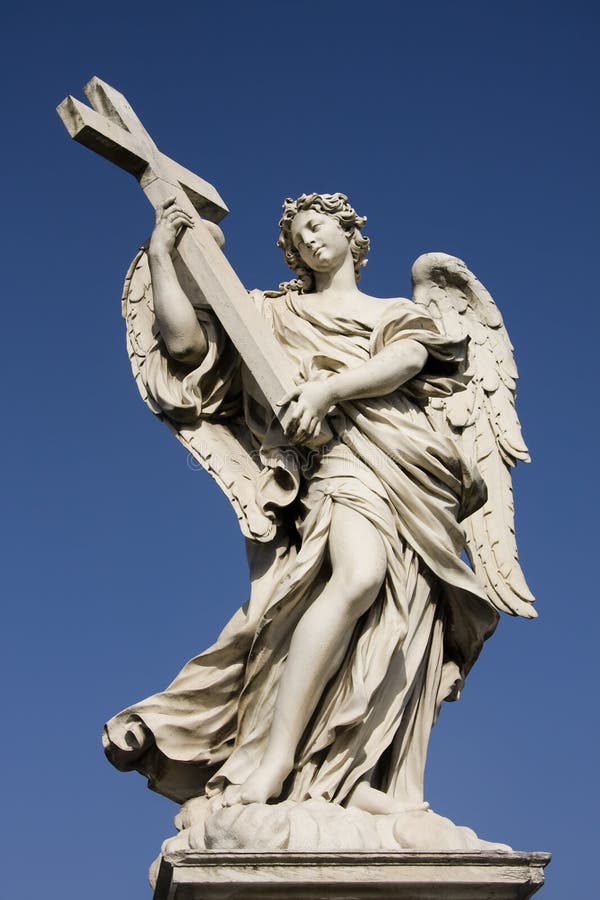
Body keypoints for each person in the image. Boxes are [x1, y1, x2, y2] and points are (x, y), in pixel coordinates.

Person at [103, 192, 499, 815]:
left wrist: (328, 390)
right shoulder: (267, 314)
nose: (310, 238)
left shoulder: (396, 310)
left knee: (408, 615)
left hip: (417, 465)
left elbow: (407, 359)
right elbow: (184, 348)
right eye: (297, 233)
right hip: (341, 459)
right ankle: (277, 758)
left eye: (320, 225)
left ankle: (371, 777)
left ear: (351, 234)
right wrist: (161, 253)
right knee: (361, 576)